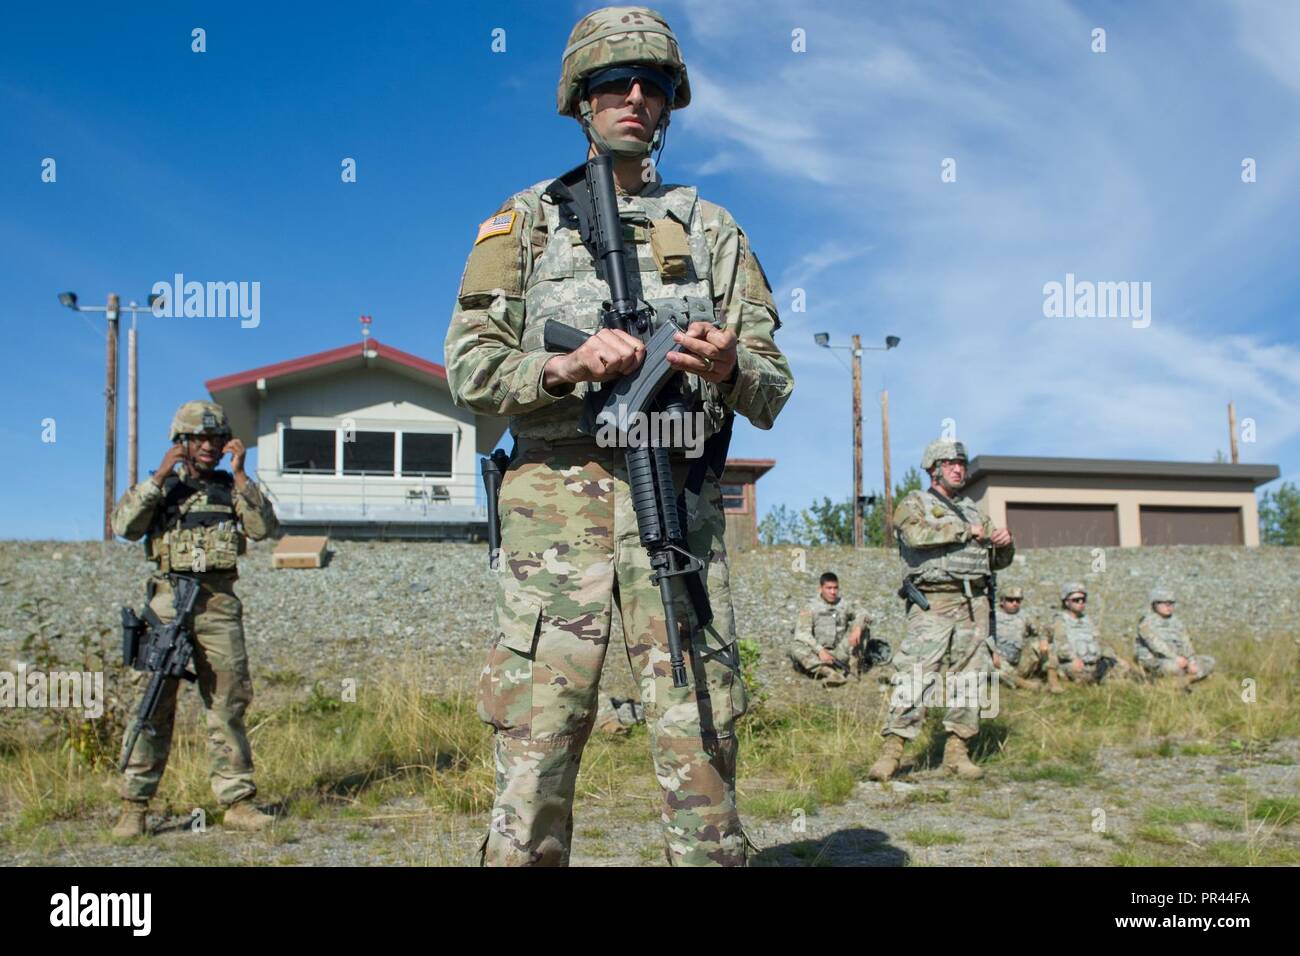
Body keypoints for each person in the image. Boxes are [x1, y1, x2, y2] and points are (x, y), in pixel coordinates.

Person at [443, 6, 793, 866]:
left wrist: (725, 365)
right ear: (580, 100)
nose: (635, 97)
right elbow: (469, 368)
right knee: (536, 748)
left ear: (672, 103)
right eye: (614, 82)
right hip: (550, 527)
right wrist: (564, 367)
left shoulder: (713, 229)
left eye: (655, 84)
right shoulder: (523, 221)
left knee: (699, 736)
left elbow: (774, 387)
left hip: (672, 512)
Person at [109, 401, 278, 837]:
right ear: (181, 442)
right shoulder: (162, 488)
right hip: (167, 605)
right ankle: (134, 806)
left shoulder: (230, 488)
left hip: (218, 607)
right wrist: (160, 476)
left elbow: (263, 529)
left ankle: (237, 801)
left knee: (228, 703)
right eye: (198, 439)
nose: (208, 446)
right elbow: (124, 527)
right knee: (152, 706)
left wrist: (241, 474)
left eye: (216, 439)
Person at [868, 439, 1013, 783]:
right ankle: (892, 753)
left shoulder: (976, 511)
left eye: (961, 463)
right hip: (933, 602)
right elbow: (914, 534)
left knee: (972, 678)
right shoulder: (914, 504)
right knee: (916, 675)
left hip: (973, 604)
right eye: (949, 463)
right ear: (934, 469)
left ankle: (956, 753)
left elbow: (998, 561)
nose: (958, 468)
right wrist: (964, 531)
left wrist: (1005, 544)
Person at [787, 572, 873, 687]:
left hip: (840, 651)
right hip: (818, 654)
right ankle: (831, 674)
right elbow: (802, 633)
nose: (833, 592)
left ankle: (853, 669)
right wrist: (820, 651)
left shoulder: (844, 604)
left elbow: (864, 614)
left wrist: (857, 628)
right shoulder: (810, 607)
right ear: (820, 588)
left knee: (863, 629)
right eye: (829, 588)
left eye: (835, 588)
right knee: (795, 646)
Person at [1135, 585, 1215, 689]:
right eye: (1164, 603)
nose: (1168, 606)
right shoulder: (1146, 623)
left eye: (1171, 603)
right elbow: (1156, 645)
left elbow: (1186, 642)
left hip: (1181, 660)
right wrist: (1175, 658)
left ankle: (1187, 679)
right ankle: (1165, 681)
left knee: (1210, 661)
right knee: (1173, 667)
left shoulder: (1177, 622)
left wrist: (1191, 661)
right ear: (1155, 604)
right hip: (1156, 661)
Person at [1051, 582, 1131, 684]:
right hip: (1072, 663)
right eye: (1076, 600)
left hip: (1093, 661)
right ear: (1066, 602)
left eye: (1083, 600)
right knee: (1083, 676)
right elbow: (1060, 644)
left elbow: (1099, 642)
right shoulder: (1060, 620)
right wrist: (1073, 659)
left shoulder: (1087, 620)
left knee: (1123, 668)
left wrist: (1115, 658)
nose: (1080, 602)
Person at [993, 586, 1062, 693]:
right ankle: (1027, 685)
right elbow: (983, 637)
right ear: (1002, 601)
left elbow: (1042, 630)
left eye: (1018, 600)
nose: (1015, 603)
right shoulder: (992, 617)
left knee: (1041, 644)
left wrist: (1043, 640)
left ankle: (1053, 681)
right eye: (1010, 600)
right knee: (987, 663)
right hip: (999, 663)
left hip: (1020, 662)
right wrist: (993, 652)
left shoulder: (1025, 616)